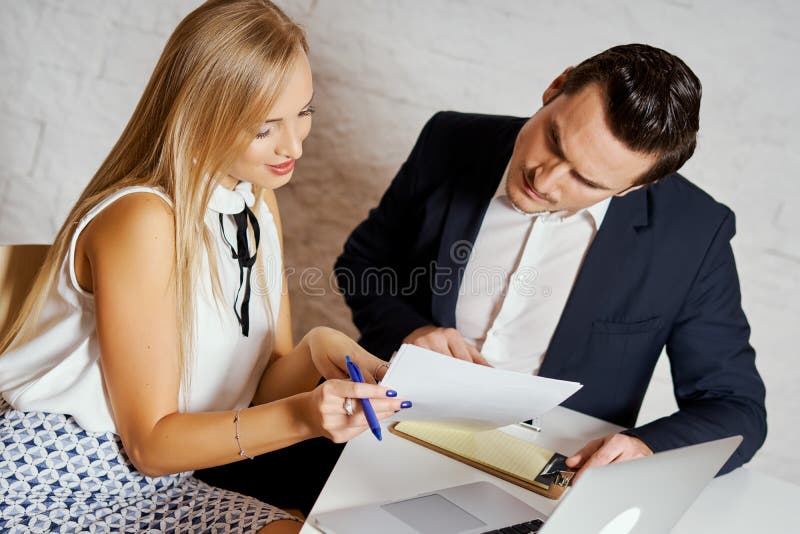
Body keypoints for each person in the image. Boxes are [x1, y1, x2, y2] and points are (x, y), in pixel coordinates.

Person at [0, 1, 410, 532]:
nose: (294, 144)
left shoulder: (255, 202)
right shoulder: (144, 220)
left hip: (169, 479)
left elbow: (256, 392)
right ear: (200, 116)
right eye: (266, 127)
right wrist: (306, 417)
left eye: (304, 111)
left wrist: (319, 349)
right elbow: (149, 443)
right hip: (60, 476)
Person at [335, 44, 767, 478]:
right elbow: (364, 263)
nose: (544, 179)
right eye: (555, 140)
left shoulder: (694, 234)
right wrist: (412, 330)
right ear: (556, 87)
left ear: (635, 187)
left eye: (585, 179)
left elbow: (736, 408)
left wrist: (645, 448)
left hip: (544, 477)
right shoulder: (449, 139)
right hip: (386, 433)